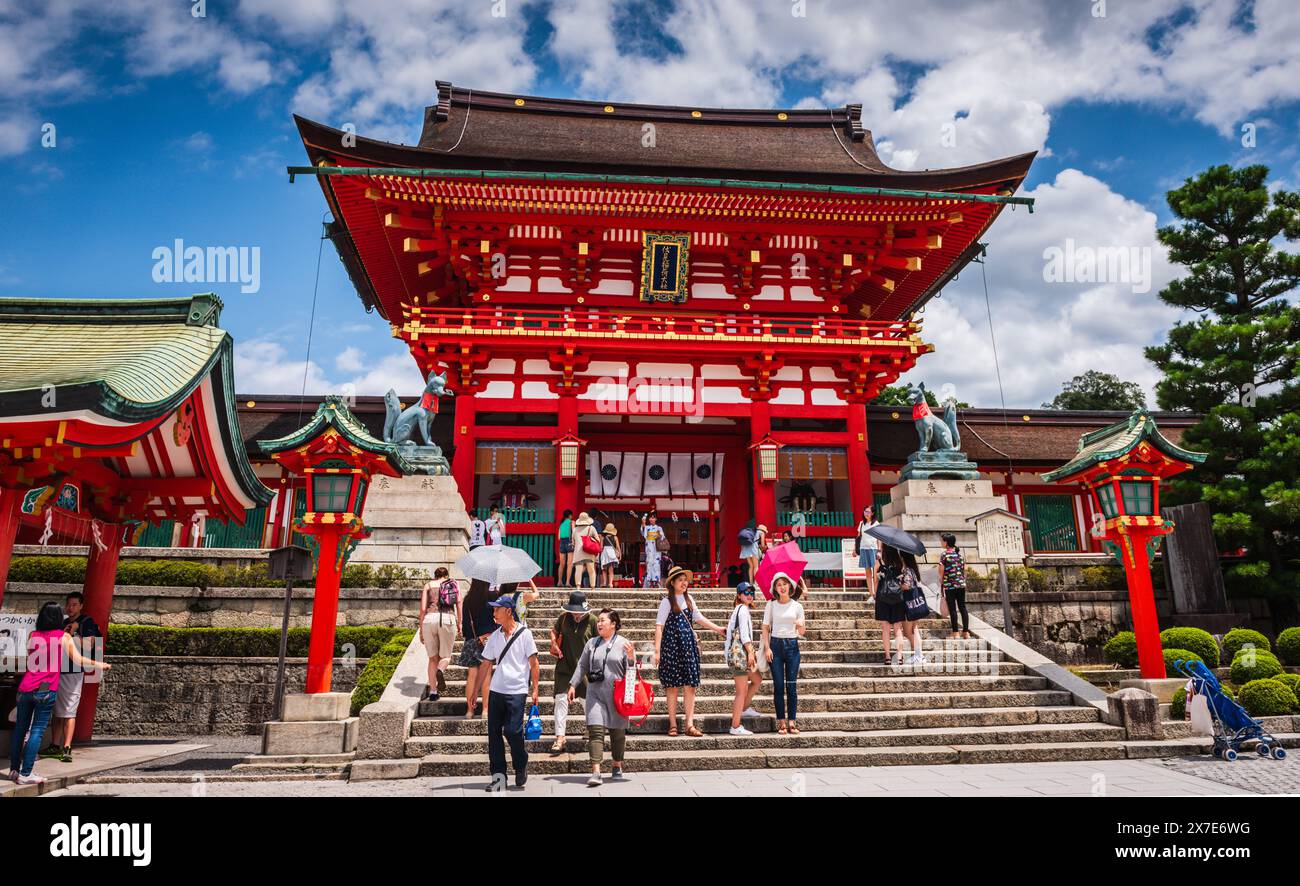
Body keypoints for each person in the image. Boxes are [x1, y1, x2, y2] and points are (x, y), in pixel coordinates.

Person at [9, 602, 110, 786]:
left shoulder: (33, 635)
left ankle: (14, 770)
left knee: (20, 730)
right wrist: (99, 664)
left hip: (25, 688)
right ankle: (26, 773)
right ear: (57, 618)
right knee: (37, 731)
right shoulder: (62, 636)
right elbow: (77, 659)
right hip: (45, 689)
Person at [653, 566, 725, 737]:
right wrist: (657, 651)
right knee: (672, 687)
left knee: (690, 686)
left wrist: (719, 629)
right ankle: (672, 724)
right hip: (671, 647)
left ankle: (689, 724)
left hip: (688, 647)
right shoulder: (667, 602)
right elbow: (659, 626)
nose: (684, 583)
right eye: (680, 580)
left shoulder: (690, 599)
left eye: (685, 580)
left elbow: (699, 619)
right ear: (673, 583)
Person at [569, 609, 636, 786]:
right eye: (598, 621)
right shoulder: (591, 643)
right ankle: (596, 772)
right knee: (595, 731)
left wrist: (630, 658)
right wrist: (573, 685)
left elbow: (631, 671)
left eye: (603, 620)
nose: (599, 623)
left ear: (613, 624)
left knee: (617, 734)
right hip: (595, 693)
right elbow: (582, 666)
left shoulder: (624, 644)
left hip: (617, 695)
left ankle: (616, 765)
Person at [480, 594, 539, 791]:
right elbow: (486, 663)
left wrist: (536, 689)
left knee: (513, 731)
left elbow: (534, 663)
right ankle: (498, 778)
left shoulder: (525, 634)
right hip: (497, 690)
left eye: (497, 609)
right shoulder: (495, 636)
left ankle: (521, 763)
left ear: (508, 611)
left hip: (517, 690)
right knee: (494, 735)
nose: (494, 613)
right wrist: (476, 693)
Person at [43, 591, 102, 763]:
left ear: (81, 606)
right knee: (57, 710)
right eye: (68, 604)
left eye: (74, 604)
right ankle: (55, 744)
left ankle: (67, 747)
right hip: (57, 670)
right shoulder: (62, 623)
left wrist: (74, 634)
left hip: (73, 671)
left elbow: (90, 644)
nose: (70, 607)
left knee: (69, 710)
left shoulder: (86, 622)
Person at [548, 591, 596, 754]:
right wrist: (554, 642)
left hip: (584, 669)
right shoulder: (564, 618)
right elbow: (553, 631)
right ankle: (560, 737)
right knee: (561, 699)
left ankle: (591, 729)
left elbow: (601, 641)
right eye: (573, 610)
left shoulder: (593, 621)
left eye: (579, 611)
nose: (576, 614)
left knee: (586, 701)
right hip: (565, 666)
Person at [762, 572, 807, 735]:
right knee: (779, 686)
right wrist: (767, 648)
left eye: (784, 584)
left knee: (792, 687)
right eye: (778, 584)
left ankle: (792, 722)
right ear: (775, 588)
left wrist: (800, 624)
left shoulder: (797, 606)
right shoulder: (771, 605)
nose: (782, 587)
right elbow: (765, 628)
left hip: (792, 646)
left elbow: (802, 632)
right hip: (776, 646)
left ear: (790, 586)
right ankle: (781, 721)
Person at [417, 567, 461, 702]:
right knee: (446, 656)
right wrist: (460, 622)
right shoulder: (453, 584)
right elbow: (459, 602)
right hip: (447, 618)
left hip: (429, 619)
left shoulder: (428, 585)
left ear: (435, 576)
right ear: (447, 575)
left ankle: (433, 692)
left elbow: (423, 608)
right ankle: (441, 670)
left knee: (432, 659)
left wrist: (420, 627)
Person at [879, 546, 926, 666]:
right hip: (914, 603)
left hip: (909, 603)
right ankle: (917, 655)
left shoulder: (907, 570)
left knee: (909, 632)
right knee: (913, 630)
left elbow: (907, 586)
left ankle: (918, 655)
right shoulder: (912, 569)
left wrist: (896, 586)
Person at [726, 583, 762, 736]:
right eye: (745, 592)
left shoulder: (742, 609)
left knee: (757, 679)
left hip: (742, 655)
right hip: (741, 655)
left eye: (751, 592)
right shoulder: (741, 609)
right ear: (739, 595)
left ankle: (745, 709)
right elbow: (744, 634)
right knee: (741, 691)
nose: (749, 594)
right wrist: (751, 652)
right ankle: (735, 725)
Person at [457, 578, 495, 719]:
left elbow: (466, 624)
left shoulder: (468, 599)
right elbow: (495, 620)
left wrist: (470, 636)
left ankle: (469, 710)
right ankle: (485, 710)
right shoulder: (491, 597)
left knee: (472, 676)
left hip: (471, 639)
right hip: (486, 641)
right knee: (486, 676)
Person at [940, 533, 970, 639]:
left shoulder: (944, 555)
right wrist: (962, 581)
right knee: (963, 608)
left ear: (946, 543)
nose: (941, 542)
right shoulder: (959, 555)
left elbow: (941, 571)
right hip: (961, 585)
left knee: (952, 609)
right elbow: (964, 571)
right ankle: (966, 632)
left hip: (950, 585)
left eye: (942, 541)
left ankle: (956, 632)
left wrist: (941, 581)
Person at [855, 505, 882, 598]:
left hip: (873, 549)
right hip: (863, 549)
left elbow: (879, 538)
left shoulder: (876, 524)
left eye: (868, 512)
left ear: (873, 513)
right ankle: (872, 594)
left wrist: (879, 551)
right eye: (865, 511)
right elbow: (859, 537)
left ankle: (876, 594)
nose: (866, 514)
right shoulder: (861, 523)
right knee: (868, 573)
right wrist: (855, 549)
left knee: (875, 573)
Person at [571, 512, 599, 589]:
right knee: (591, 570)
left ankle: (578, 587)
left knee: (578, 570)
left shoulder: (575, 530)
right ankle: (593, 587)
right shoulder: (591, 528)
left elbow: (573, 542)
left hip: (578, 553)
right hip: (589, 552)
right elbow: (598, 540)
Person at [641, 512, 665, 588]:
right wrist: (643, 523)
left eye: (653, 518)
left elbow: (662, 537)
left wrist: (657, 535)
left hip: (656, 548)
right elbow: (644, 533)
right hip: (649, 548)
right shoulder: (647, 527)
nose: (651, 519)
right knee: (649, 563)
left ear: (656, 519)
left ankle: (656, 581)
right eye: (650, 518)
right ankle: (649, 580)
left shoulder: (659, 528)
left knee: (656, 564)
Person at [738, 519, 761, 596]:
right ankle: (756, 583)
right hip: (753, 549)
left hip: (745, 549)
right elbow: (761, 543)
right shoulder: (757, 531)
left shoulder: (745, 531)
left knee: (750, 566)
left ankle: (750, 583)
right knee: (756, 566)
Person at [598, 522, 622, 588]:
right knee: (611, 570)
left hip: (605, 553)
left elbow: (601, 547)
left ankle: (604, 583)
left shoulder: (603, 537)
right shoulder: (615, 537)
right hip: (612, 553)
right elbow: (618, 547)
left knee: (604, 570)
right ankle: (610, 583)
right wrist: (620, 554)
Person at [556, 509, 574, 586]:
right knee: (569, 563)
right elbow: (574, 532)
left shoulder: (561, 524)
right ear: (570, 515)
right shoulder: (572, 522)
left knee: (561, 564)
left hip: (562, 542)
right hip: (569, 541)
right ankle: (567, 582)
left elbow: (559, 537)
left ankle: (559, 581)